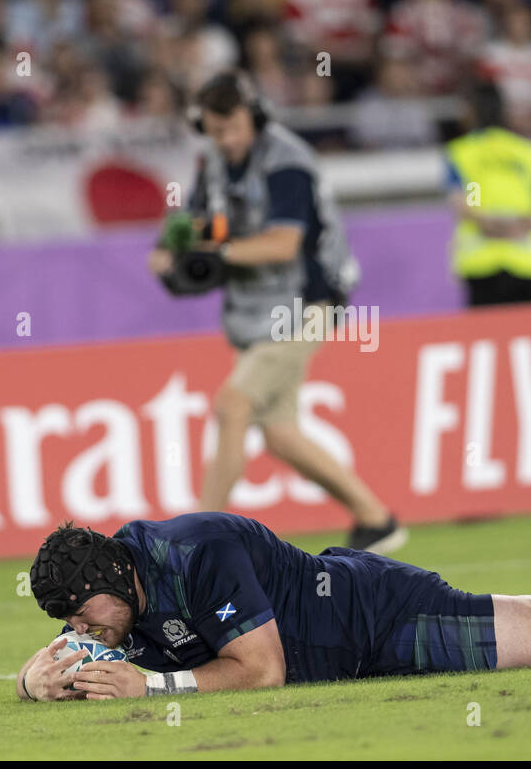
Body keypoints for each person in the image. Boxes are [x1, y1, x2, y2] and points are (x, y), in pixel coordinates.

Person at [14, 508, 531, 700]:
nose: (81, 633)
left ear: (118, 581)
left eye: (85, 617)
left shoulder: (200, 552)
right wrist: (35, 681)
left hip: (383, 619)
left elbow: (260, 671)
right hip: (356, 642)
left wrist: (154, 687)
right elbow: (66, 657)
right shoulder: (115, 587)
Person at [149, 70, 406, 555]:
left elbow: (284, 244)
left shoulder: (287, 162)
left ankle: (194, 546)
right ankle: (376, 519)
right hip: (258, 311)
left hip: (303, 305)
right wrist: (168, 249)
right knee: (281, 434)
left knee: (232, 405)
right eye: (214, 129)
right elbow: (191, 221)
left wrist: (216, 255)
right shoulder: (216, 163)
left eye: (232, 127)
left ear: (256, 118)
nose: (224, 139)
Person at [445, 80, 531, 307]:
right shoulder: (526, 151)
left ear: (471, 110)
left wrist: (492, 226)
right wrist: (521, 227)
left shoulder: (462, 152)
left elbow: (466, 202)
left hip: (481, 261)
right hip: (526, 259)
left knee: (486, 338)